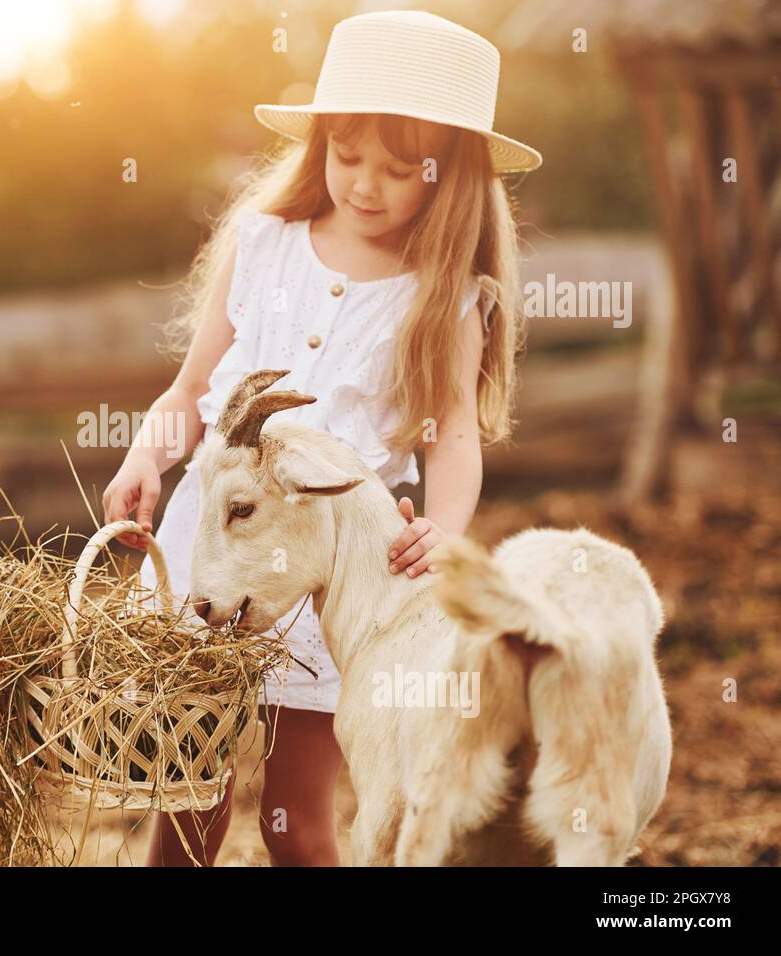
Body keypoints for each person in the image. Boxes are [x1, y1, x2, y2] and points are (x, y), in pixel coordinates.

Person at [101, 10, 542, 866]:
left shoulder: (443, 295)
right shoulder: (263, 245)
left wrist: (443, 530)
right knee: (188, 797)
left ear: (445, 176)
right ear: (320, 146)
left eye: (396, 167)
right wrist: (145, 453)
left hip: (334, 576)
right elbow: (192, 390)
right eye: (347, 156)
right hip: (220, 547)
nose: (365, 185)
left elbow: (454, 435)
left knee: (297, 820)